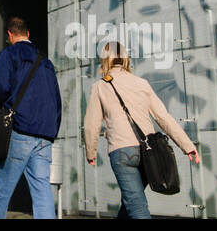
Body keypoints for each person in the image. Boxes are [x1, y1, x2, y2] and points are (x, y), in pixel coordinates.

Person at [83, 40, 200, 218]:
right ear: (125, 59)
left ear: (104, 59)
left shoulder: (100, 86)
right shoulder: (141, 83)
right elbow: (163, 117)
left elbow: (92, 123)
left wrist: (90, 152)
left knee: (136, 205)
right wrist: (187, 146)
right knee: (131, 201)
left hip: (122, 152)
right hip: (149, 152)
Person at [0, 16, 62, 219]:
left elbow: (0, 84)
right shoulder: (45, 61)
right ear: (28, 34)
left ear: (9, 34)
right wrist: (52, 131)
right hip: (44, 135)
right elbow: (56, 99)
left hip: (20, 130)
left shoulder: (9, 54)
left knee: (2, 190)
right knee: (42, 190)